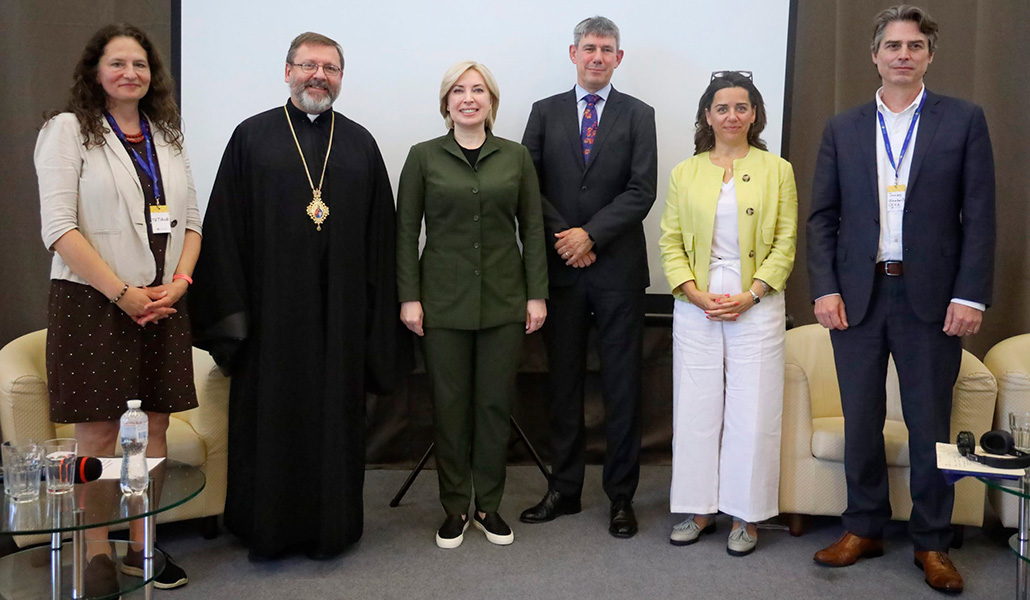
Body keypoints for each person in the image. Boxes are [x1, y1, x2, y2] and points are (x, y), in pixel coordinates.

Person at [188, 32, 410, 560]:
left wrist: (376, 322)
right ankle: (265, 528)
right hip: (269, 324)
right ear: (287, 71)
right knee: (269, 422)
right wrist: (234, 322)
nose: (319, 76)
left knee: (336, 424)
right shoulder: (251, 138)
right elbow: (224, 232)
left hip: (340, 323)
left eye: (330, 68)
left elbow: (383, 238)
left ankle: (332, 527)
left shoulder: (360, 143)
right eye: (309, 65)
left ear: (340, 78)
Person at [807, 5, 994, 593]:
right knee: (861, 419)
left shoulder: (963, 120)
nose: (903, 55)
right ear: (875, 55)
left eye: (915, 46)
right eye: (893, 45)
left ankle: (932, 542)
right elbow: (822, 218)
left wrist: (971, 295)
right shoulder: (843, 127)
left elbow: (981, 217)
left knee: (929, 426)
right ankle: (862, 526)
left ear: (930, 56)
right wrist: (826, 288)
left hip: (933, 298)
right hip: (857, 297)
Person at [34, 23, 199, 592]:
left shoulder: (167, 136)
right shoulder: (67, 131)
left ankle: (142, 546)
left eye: (141, 64)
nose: (131, 73)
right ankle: (95, 552)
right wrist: (122, 293)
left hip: (163, 301)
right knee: (100, 436)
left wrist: (177, 283)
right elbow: (59, 228)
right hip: (93, 302)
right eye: (118, 63)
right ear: (95, 72)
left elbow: (193, 223)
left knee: (156, 427)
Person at [397, 61, 548, 549]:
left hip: (505, 302)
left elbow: (533, 229)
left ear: (491, 101)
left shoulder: (517, 157)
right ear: (446, 103)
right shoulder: (422, 157)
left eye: (478, 90)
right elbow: (405, 233)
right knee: (450, 407)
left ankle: (488, 505)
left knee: (492, 406)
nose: (468, 97)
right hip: (442, 303)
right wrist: (409, 298)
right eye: (458, 90)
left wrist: (536, 293)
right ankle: (455, 507)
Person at [519, 16, 657, 538]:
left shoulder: (639, 115)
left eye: (607, 49)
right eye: (589, 48)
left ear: (618, 58)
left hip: (618, 271)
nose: (597, 56)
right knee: (563, 385)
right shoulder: (543, 112)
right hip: (560, 269)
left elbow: (641, 190)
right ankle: (565, 490)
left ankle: (621, 497)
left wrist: (590, 236)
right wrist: (567, 238)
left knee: (623, 387)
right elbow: (527, 184)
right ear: (573, 54)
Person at [658, 71, 797, 556]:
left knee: (752, 409)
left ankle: (745, 514)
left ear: (754, 113)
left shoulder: (777, 169)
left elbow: (785, 241)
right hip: (696, 299)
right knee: (696, 407)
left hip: (756, 299)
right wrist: (692, 292)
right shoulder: (685, 171)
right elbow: (670, 240)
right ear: (707, 115)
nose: (732, 115)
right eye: (722, 108)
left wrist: (754, 292)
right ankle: (698, 509)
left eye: (741, 107)